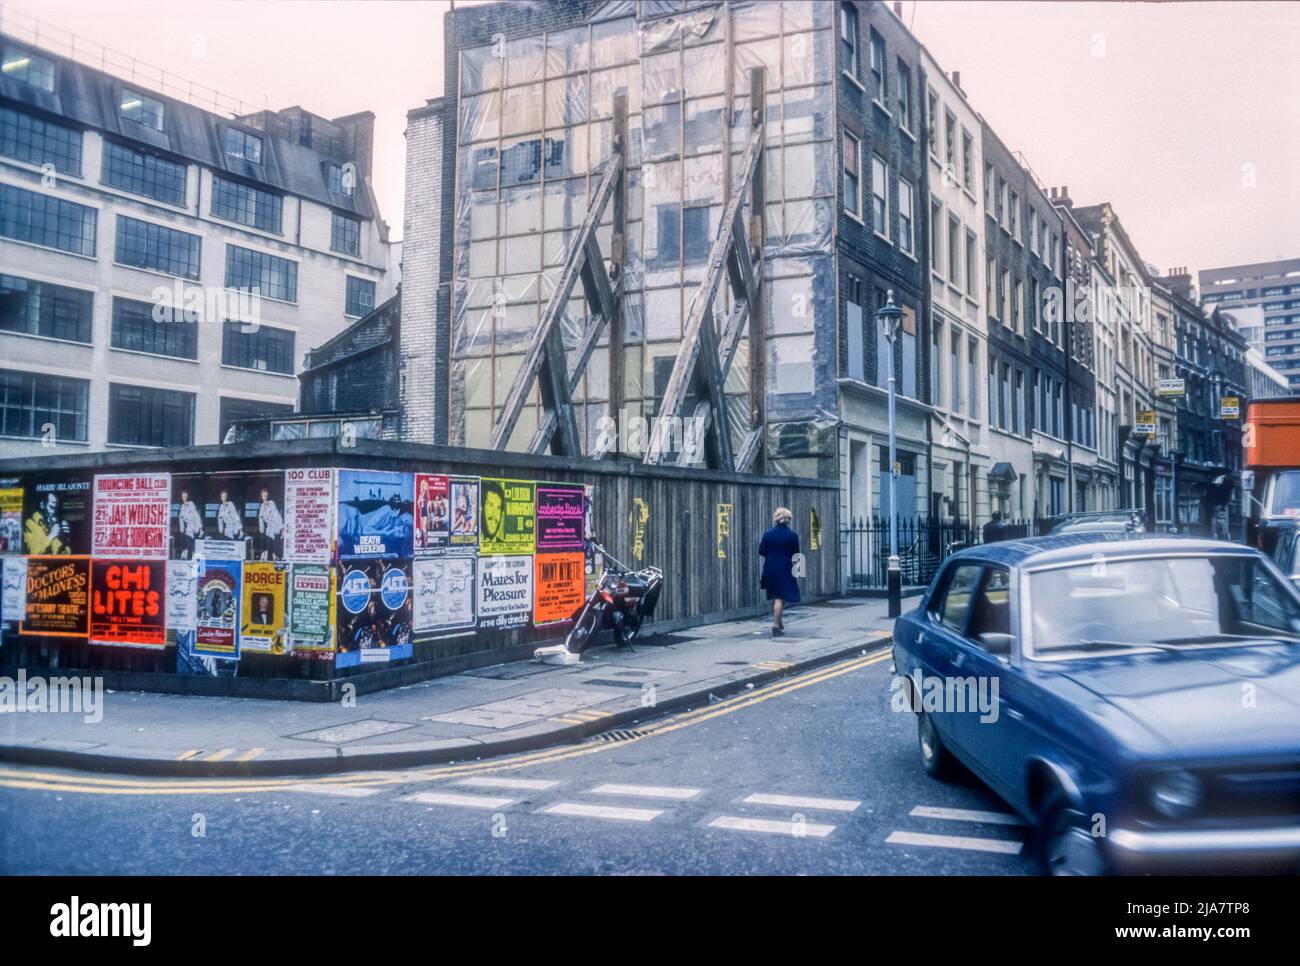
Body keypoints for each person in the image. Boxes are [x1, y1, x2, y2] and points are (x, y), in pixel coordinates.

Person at [759, 507, 801, 637]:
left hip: (770, 568)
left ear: (776, 518)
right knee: (780, 597)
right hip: (785, 568)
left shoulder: (768, 533)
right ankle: (776, 625)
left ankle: (780, 622)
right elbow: (796, 554)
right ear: (788, 519)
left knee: (778, 596)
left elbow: (761, 551)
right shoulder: (793, 535)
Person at [256, 487, 283, 560]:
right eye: (263, 494)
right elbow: (260, 517)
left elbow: (276, 515)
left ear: (268, 495)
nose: (264, 496)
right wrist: (261, 527)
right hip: (268, 530)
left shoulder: (271, 503)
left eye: (265, 494)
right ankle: (269, 560)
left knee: (276, 548)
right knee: (269, 547)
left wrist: (281, 527)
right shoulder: (262, 505)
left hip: (275, 528)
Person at [176, 488, 203, 559]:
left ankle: (192, 559)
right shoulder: (182, 506)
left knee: (192, 546)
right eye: (183, 497)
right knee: (188, 545)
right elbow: (180, 518)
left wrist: (200, 528)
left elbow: (196, 516)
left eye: (185, 496)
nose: (184, 498)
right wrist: (181, 528)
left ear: (187, 497)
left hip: (194, 528)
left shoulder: (191, 504)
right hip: (187, 529)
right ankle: (188, 558)